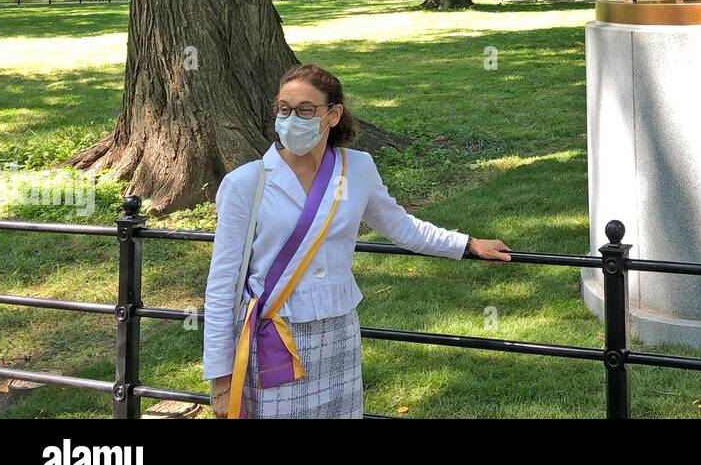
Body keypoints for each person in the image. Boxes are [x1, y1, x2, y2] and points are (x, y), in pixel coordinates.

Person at [203, 63, 511, 418]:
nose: (291, 119)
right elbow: (222, 283)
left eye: (305, 110)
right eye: (284, 110)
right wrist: (222, 378)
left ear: (332, 115)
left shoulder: (357, 169)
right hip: (275, 337)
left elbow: (402, 227)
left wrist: (467, 244)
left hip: (339, 331)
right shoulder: (246, 183)